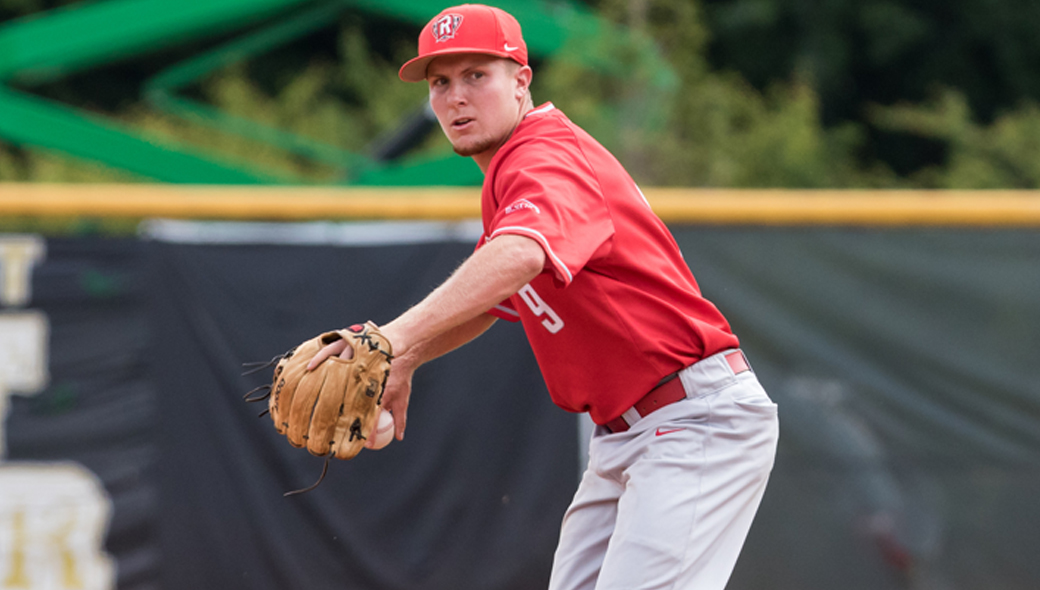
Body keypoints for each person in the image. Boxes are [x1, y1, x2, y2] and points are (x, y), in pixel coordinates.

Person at [309, 4, 779, 589]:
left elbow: (522, 254)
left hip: (690, 420)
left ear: (521, 81)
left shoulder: (544, 155)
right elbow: (493, 296)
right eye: (440, 83)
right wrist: (405, 358)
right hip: (631, 433)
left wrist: (391, 336)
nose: (456, 97)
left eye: (476, 75)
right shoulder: (511, 171)